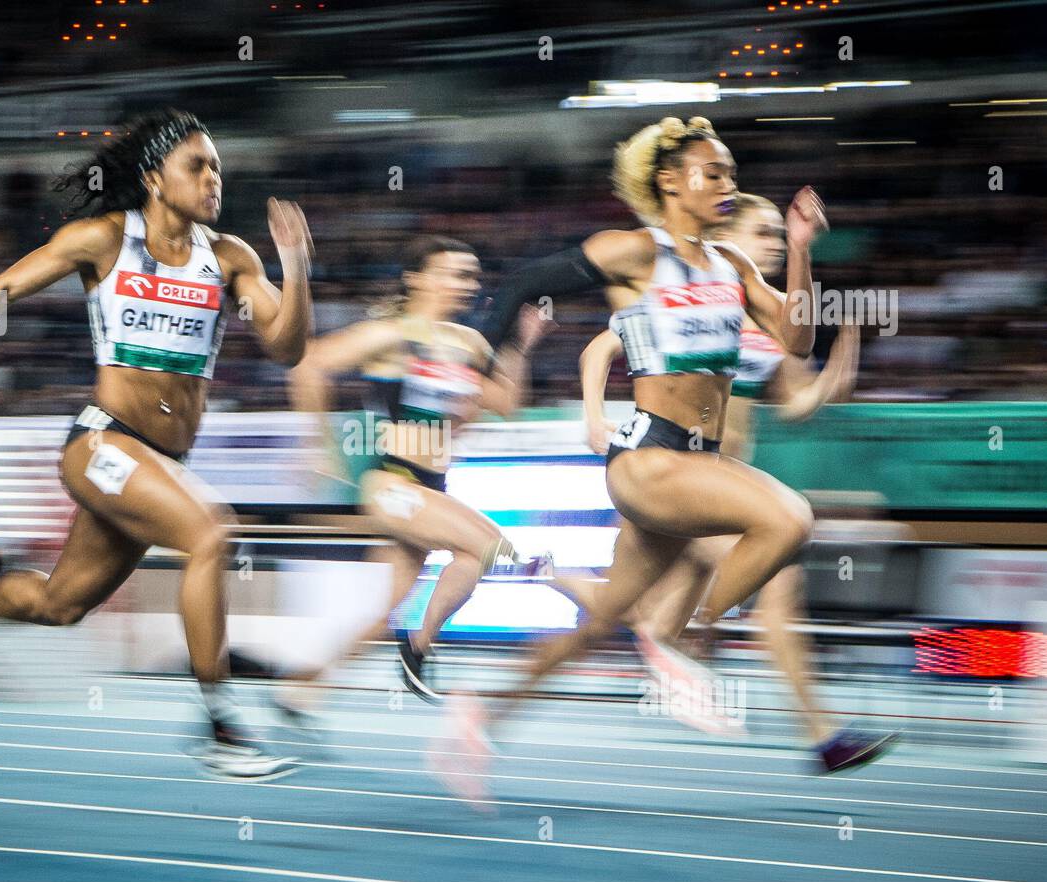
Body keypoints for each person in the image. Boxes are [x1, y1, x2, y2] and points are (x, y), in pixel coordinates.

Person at [439, 117, 892, 798]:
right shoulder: (636, 252)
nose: (727, 186)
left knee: (597, 624)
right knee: (788, 519)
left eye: (733, 174)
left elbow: (797, 339)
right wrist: (483, 361)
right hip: (650, 459)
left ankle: (482, 713)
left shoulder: (733, 266)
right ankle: (682, 644)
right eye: (713, 173)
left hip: (693, 470)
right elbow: (527, 281)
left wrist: (800, 247)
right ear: (670, 182)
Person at [0, 109, 315, 780]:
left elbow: (286, 349)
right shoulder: (104, 240)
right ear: (152, 177)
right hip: (102, 445)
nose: (213, 179)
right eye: (197, 165)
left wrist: (297, 270)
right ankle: (223, 725)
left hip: (159, 463)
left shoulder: (229, 257)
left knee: (62, 605)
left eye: (219, 169)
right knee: (211, 532)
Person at [562, 193, 888, 768]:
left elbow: (801, 404)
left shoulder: (764, 322)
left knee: (629, 613)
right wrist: (593, 417)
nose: (769, 243)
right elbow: (602, 345)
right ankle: (821, 735)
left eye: (773, 233)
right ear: (729, 235)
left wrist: (849, 342)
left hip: (722, 490)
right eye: (759, 232)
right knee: (777, 590)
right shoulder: (689, 296)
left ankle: (551, 575)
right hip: (674, 482)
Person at [285, 236, 549, 708]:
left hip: (432, 486)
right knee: (490, 549)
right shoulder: (391, 334)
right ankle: (418, 649)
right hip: (392, 483)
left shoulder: (467, 343)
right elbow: (309, 367)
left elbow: (506, 404)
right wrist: (319, 444)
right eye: (454, 273)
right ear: (418, 278)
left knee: (392, 608)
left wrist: (520, 346)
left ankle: (302, 688)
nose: (466, 284)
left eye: (471, 275)